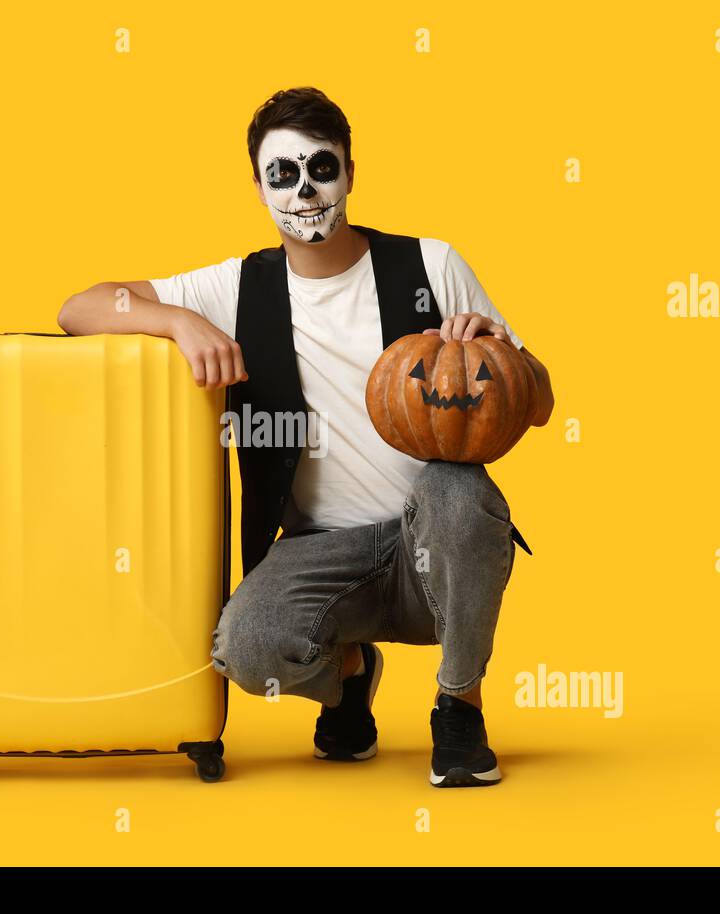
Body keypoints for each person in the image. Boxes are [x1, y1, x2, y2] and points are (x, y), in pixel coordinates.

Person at [59, 87, 554, 787]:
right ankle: (349, 672)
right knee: (246, 647)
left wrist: (506, 359)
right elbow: (78, 308)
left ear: (351, 171)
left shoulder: (430, 266)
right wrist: (178, 322)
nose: (304, 190)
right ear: (259, 188)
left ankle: (459, 705)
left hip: (432, 542)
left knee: (459, 490)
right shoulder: (233, 289)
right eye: (281, 174)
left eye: (320, 168)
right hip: (323, 555)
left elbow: (542, 403)